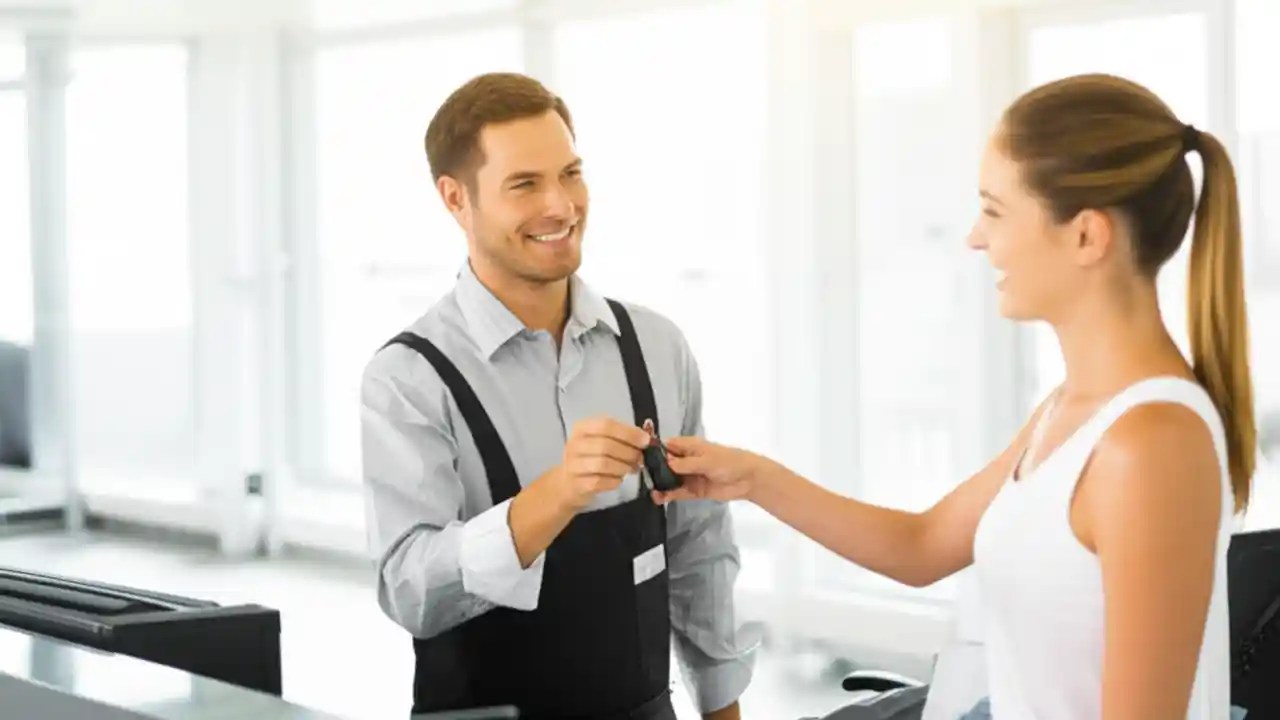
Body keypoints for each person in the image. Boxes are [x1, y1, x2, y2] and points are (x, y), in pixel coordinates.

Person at [656, 73, 1256, 720]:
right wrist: (751, 478)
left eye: (995, 211)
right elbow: (922, 547)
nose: (975, 237)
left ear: (1086, 236)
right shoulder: (1069, 410)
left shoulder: (1152, 444)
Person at [360, 72, 755, 720]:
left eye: (570, 174)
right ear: (456, 199)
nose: (561, 205)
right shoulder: (409, 379)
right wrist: (554, 495)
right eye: (525, 184)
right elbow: (410, 593)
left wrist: (721, 710)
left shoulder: (656, 347)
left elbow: (699, 551)